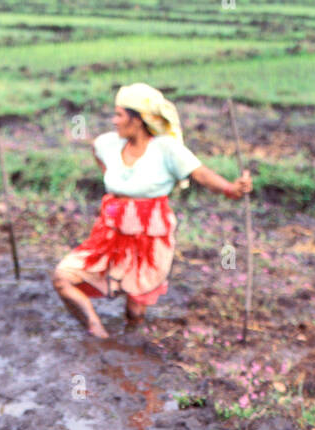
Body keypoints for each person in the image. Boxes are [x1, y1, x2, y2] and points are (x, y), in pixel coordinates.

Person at [53, 82, 252, 338]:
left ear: (138, 120)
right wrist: (117, 186)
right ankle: (97, 331)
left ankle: (132, 350)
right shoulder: (108, 144)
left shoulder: (166, 149)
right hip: (110, 235)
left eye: (119, 115)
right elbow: (98, 154)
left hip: (150, 238)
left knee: (135, 310)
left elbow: (200, 174)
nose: (113, 121)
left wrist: (231, 189)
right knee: (63, 277)